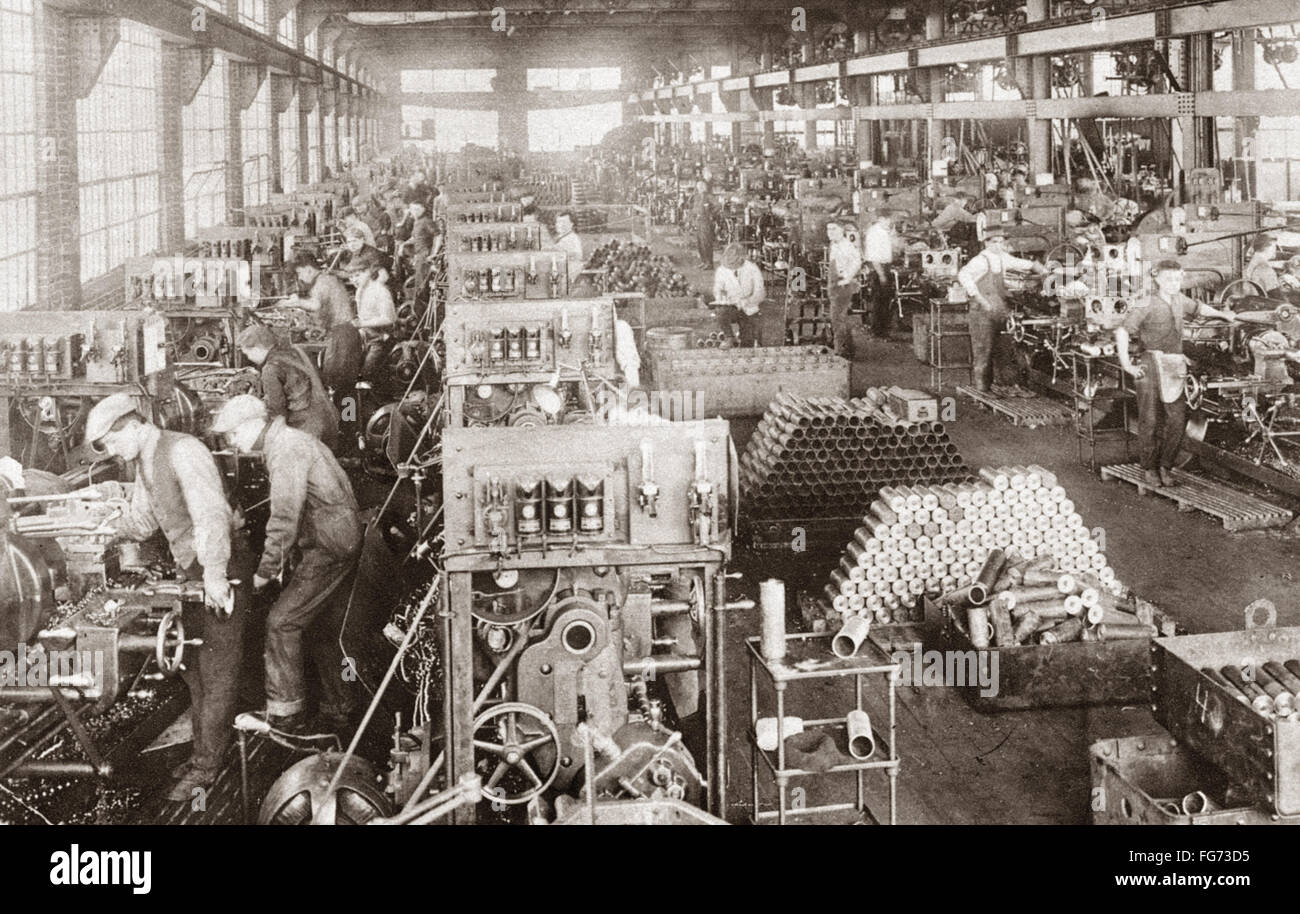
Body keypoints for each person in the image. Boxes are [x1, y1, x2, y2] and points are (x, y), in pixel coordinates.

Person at [83, 394, 249, 801]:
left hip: (220, 568)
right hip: (193, 571)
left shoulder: (183, 451)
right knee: (193, 668)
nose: (117, 455)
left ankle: (207, 770)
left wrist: (213, 574)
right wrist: (105, 529)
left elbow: (211, 515)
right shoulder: (145, 459)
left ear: (133, 426)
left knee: (217, 670)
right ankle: (203, 753)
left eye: (116, 444)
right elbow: (144, 519)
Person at [211, 396, 362, 734]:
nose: (232, 444)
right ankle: (339, 708)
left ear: (252, 425)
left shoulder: (286, 450)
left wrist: (264, 573)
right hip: (338, 537)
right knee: (321, 625)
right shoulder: (290, 440)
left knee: (281, 622)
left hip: (328, 546)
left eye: (233, 435)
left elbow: (283, 518)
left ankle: (284, 714)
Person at [1115, 260, 1238, 488]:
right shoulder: (1147, 303)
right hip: (1150, 362)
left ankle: (1165, 466)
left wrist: (1226, 316)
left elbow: (1200, 308)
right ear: (1157, 279)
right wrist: (1127, 365)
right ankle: (1149, 468)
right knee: (1149, 420)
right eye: (1169, 279)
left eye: (1178, 279)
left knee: (1178, 420)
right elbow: (1122, 331)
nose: (1174, 283)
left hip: (1174, 364)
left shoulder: (1181, 300)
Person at [956, 228, 1049, 397]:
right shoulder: (980, 260)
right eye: (994, 241)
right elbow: (963, 275)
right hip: (982, 312)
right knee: (984, 350)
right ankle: (983, 389)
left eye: (1001, 241)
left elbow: (1023, 264)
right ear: (986, 243)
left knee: (1005, 349)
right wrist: (980, 299)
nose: (998, 244)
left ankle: (1009, 385)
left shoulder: (1002, 258)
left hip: (999, 310)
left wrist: (1042, 270)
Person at [235, 324, 339, 450]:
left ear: (257, 348)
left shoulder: (270, 369)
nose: (249, 358)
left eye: (248, 354)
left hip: (308, 430)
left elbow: (277, 412)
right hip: (328, 419)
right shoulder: (295, 351)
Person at [348, 247, 398, 379]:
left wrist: (363, 323)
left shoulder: (380, 291)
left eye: (358, 275)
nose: (354, 280)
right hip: (367, 336)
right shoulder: (359, 291)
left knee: (366, 373)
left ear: (369, 272)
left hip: (382, 338)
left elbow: (390, 318)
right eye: (351, 277)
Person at [712, 242, 766, 347]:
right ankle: (729, 337)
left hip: (750, 308)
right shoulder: (721, 270)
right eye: (729, 264)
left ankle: (747, 340)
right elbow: (717, 288)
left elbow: (760, 292)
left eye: (733, 264)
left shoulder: (752, 268)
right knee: (720, 311)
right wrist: (720, 297)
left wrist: (748, 301)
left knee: (747, 343)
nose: (730, 267)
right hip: (731, 308)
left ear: (741, 259)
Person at [825, 221, 862, 358]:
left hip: (841, 286)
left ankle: (840, 352)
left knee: (837, 319)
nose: (830, 232)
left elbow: (857, 261)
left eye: (834, 229)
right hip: (835, 285)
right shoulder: (834, 244)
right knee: (840, 318)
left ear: (841, 230)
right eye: (828, 229)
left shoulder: (846, 246)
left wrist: (847, 278)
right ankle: (848, 349)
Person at [864, 211, 897, 338]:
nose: (890, 222)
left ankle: (882, 329)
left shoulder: (883, 231)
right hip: (878, 269)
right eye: (888, 220)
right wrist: (882, 275)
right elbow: (874, 258)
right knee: (880, 301)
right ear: (881, 219)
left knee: (885, 300)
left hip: (884, 267)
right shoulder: (875, 233)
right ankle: (879, 331)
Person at [1244, 235, 1282, 299]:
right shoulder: (1264, 267)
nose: (1275, 250)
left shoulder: (1250, 264)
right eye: (1274, 247)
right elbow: (1276, 295)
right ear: (1267, 247)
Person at [552, 211, 584, 285]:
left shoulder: (573, 238)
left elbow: (578, 256)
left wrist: (562, 254)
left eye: (564, 222)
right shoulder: (558, 238)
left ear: (571, 224)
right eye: (558, 222)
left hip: (568, 275)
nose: (560, 225)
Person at [692, 180, 715, 269]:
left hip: (706, 222)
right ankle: (704, 261)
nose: (700, 188)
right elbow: (694, 209)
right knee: (700, 242)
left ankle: (709, 263)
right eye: (698, 186)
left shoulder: (708, 196)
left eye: (701, 186)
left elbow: (717, 206)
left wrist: (710, 215)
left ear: (704, 187)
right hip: (698, 221)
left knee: (706, 242)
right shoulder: (698, 197)